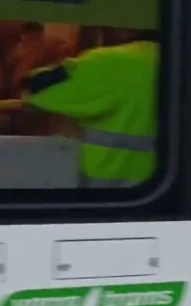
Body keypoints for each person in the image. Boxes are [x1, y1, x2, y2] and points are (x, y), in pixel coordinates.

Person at [18, 27, 158, 188]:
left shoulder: (111, 61)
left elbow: (36, 87)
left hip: (106, 193)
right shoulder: (181, 65)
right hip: (168, 197)